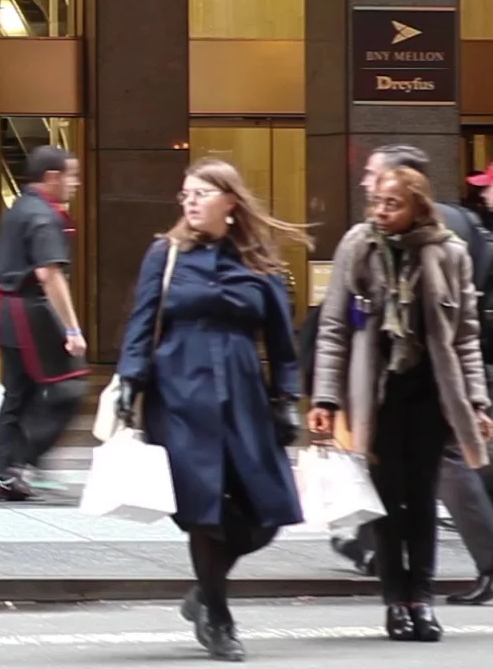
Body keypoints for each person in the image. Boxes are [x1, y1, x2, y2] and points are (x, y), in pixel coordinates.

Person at [114, 159, 309, 661]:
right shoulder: (167, 254)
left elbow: (283, 345)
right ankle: (218, 619)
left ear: (231, 202)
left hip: (244, 395)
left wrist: (286, 399)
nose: (190, 201)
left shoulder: (260, 264)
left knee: (268, 511)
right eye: (186, 194)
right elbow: (141, 322)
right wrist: (129, 379)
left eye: (201, 192)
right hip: (179, 394)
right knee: (205, 511)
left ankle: (205, 588)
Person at [311, 165, 493, 642]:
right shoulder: (359, 246)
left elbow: (467, 336)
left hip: (432, 396)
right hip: (378, 397)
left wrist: (477, 402)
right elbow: (334, 328)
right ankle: (395, 601)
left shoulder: (448, 253)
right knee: (388, 504)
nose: (381, 211)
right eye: (377, 202)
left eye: (393, 203)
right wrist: (326, 398)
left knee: (424, 502)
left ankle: (422, 600)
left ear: (418, 206)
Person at [0, 145, 86, 502]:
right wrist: (72, 329)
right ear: (52, 177)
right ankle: (20, 462)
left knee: (19, 394)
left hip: (6, 310)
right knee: (70, 387)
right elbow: (49, 274)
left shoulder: (19, 207)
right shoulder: (44, 215)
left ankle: (6, 475)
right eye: (71, 176)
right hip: (30, 311)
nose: (75, 184)